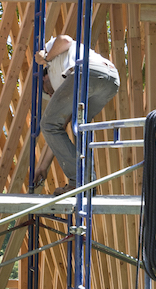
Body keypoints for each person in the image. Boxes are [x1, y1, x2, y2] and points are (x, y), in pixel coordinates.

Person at [31, 33, 121, 194]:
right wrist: (43, 166)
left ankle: (80, 181)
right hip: (110, 79)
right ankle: (87, 183)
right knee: (80, 125)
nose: (51, 95)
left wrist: (45, 57)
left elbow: (65, 40)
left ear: (44, 78)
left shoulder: (51, 60)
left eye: (47, 91)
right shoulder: (63, 76)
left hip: (86, 72)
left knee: (48, 123)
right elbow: (59, 130)